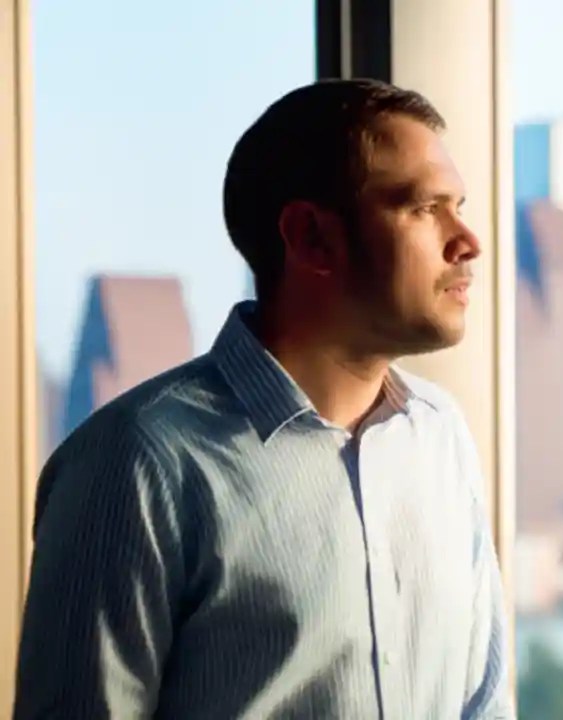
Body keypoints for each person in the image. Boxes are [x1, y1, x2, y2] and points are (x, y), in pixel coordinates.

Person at [13, 79, 514, 719]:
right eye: (424, 208)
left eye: (460, 205)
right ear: (310, 237)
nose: (467, 240)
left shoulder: (441, 436)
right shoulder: (136, 463)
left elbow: (485, 703)